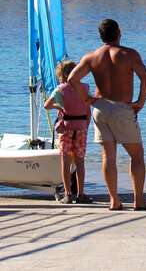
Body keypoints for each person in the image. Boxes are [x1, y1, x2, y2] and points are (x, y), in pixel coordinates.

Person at [68, 19, 146, 211]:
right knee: (137, 155)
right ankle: (138, 200)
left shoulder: (92, 57)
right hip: (121, 108)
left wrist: (87, 99)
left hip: (100, 108)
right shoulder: (129, 54)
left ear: (101, 36)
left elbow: (71, 78)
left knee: (108, 155)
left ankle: (114, 200)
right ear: (119, 32)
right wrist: (140, 102)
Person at [44, 60, 96, 204]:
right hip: (81, 127)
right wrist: (86, 124)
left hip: (66, 128)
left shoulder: (60, 89)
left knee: (65, 162)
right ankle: (81, 194)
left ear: (62, 75)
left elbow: (46, 105)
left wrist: (58, 106)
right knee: (80, 162)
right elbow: (88, 109)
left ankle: (68, 194)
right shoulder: (85, 88)